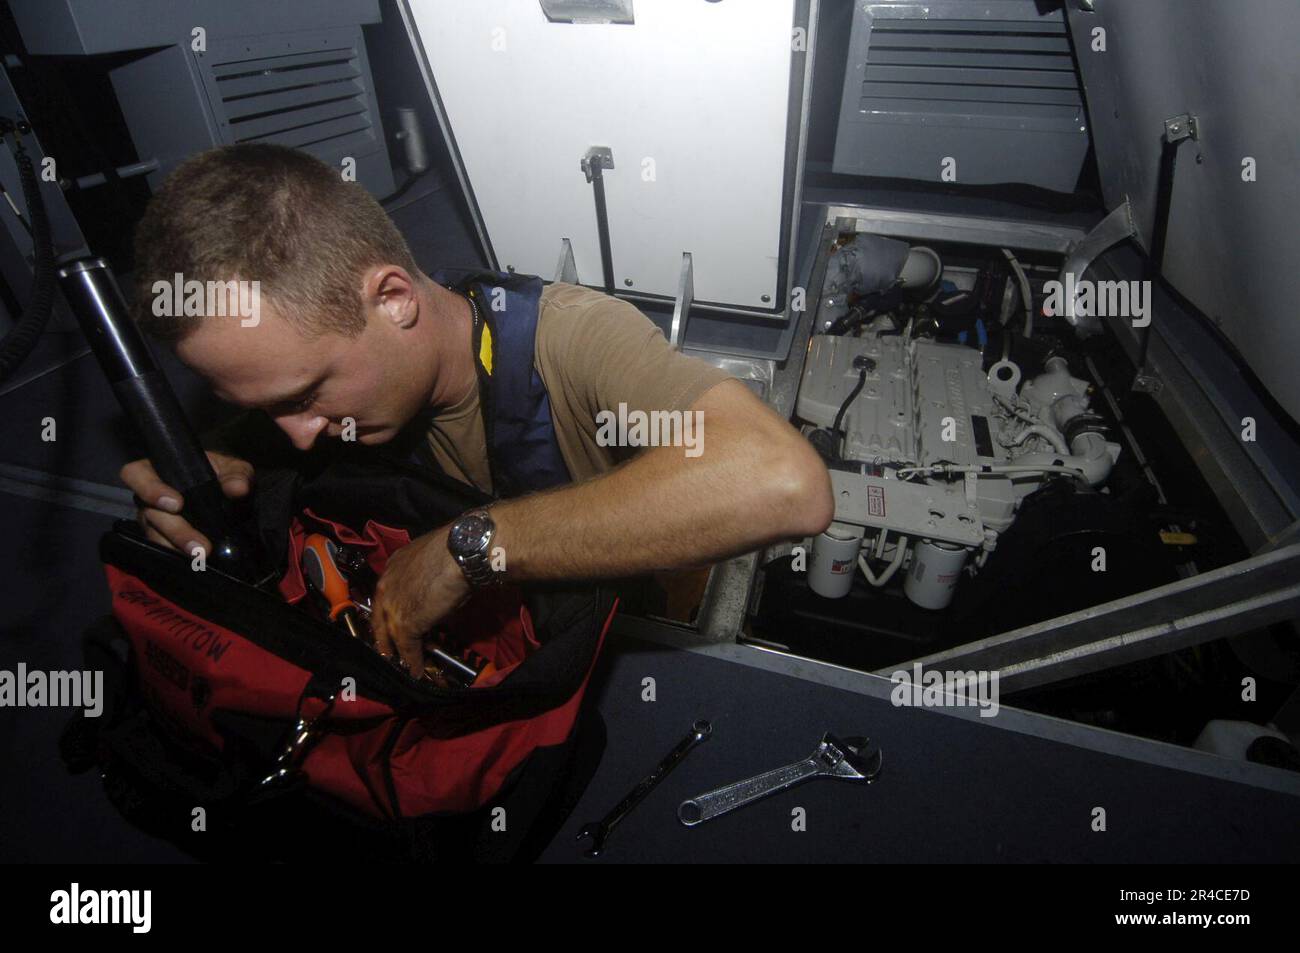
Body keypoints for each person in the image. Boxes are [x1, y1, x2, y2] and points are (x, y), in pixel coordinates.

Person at [120, 144, 833, 673]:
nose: (302, 436)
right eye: (265, 408)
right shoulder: (299, 390)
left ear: (393, 298)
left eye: (306, 397)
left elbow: (782, 482)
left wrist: (471, 548)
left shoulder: (574, 338)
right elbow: (255, 456)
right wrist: (211, 483)